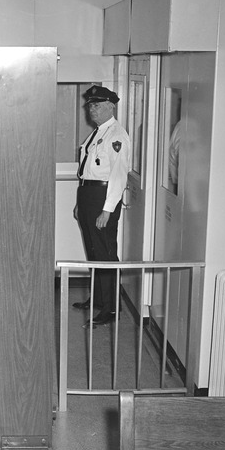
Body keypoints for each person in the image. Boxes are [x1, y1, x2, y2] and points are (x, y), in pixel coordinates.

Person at [73, 85, 131, 326]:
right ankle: (98, 299)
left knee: (105, 252)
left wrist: (107, 209)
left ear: (110, 106)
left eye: (96, 105)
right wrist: (80, 203)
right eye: (90, 106)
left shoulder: (116, 135)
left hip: (103, 196)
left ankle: (111, 308)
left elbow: (118, 175)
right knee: (93, 249)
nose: (91, 110)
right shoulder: (98, 133)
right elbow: (88, 170)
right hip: (88, 194)